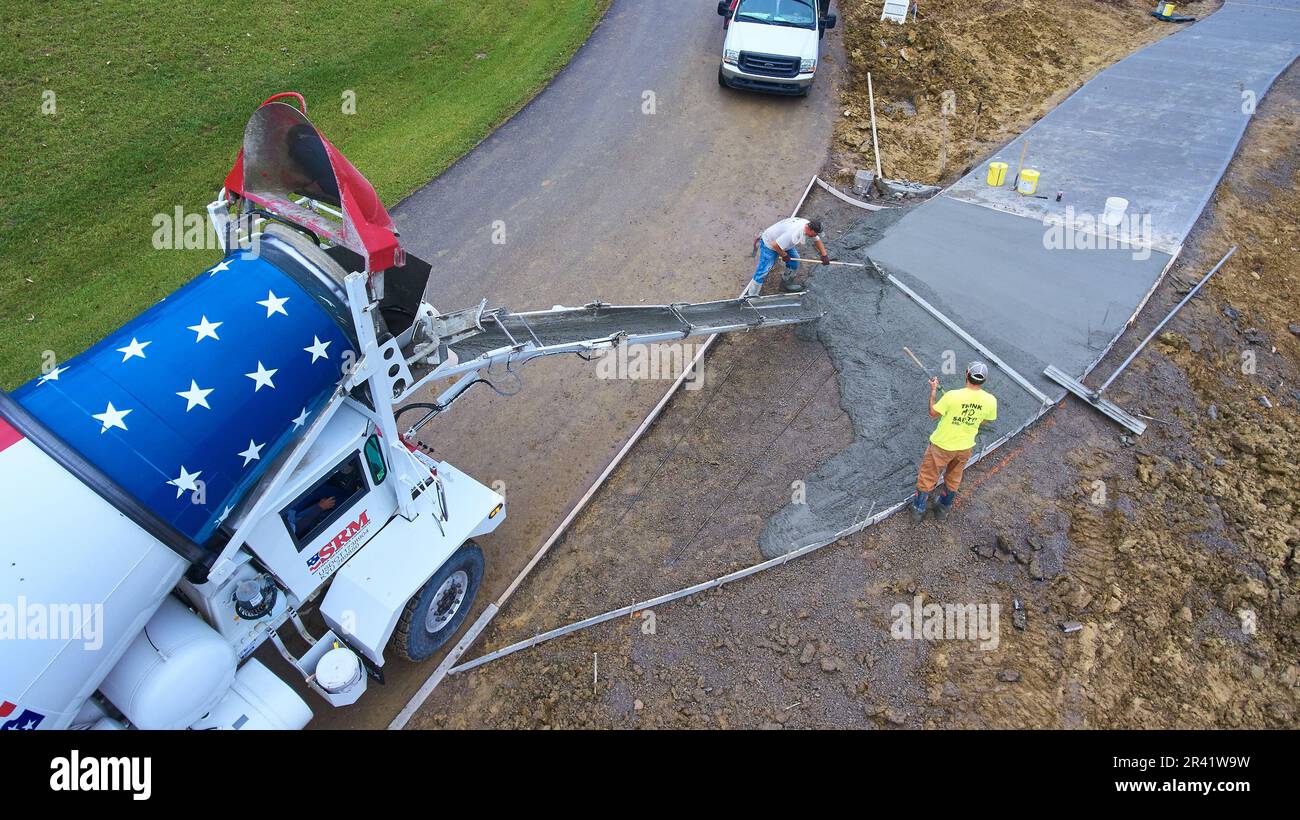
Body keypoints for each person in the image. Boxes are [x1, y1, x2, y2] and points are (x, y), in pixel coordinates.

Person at [911, 362, 997, 522]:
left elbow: (932, 413)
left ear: (966, 374)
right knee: (954, 478)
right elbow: (985, 421)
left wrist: (933, 391)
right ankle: (942, 511)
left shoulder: (952, 396)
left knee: (927, 477)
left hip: (942, 446)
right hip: (965, 447)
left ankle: (918, 510)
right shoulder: (990, 400)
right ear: (984, 380)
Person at [752, 217, 830, 293]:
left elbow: (817, 240)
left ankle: (785, 285)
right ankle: (752, 295)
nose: (815, 236)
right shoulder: (792, 233)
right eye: (814, 234)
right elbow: (774, 245)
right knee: (764, 270)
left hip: (783, 243)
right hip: (769, 244)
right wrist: (784, 255)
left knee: (794, 262)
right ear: (810, 229)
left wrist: (824, 255)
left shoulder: (808, 225)